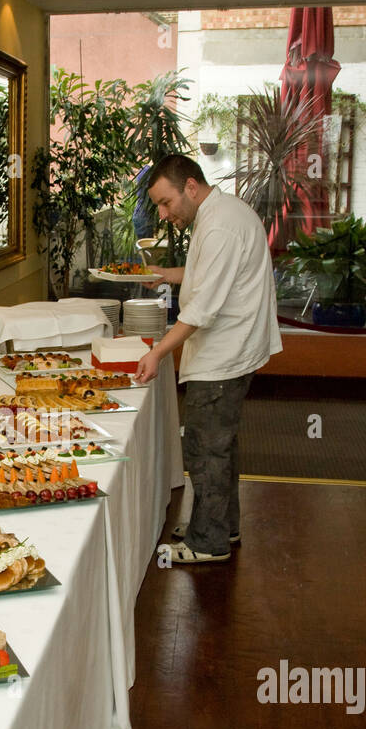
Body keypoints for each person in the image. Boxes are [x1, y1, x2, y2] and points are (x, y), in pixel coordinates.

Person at [133, 154, 281, 564]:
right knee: (222, 447)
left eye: (166, 202)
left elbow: (202, 311)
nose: (163, 214)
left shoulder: (220, 226)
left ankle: (207, 542)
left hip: (224, 354)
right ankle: (220, 525)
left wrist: (159, 352)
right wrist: (166, 274)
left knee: (205, 449)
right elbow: (204, 275)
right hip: (229, 350)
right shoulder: (218, 214)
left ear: (191, 187)